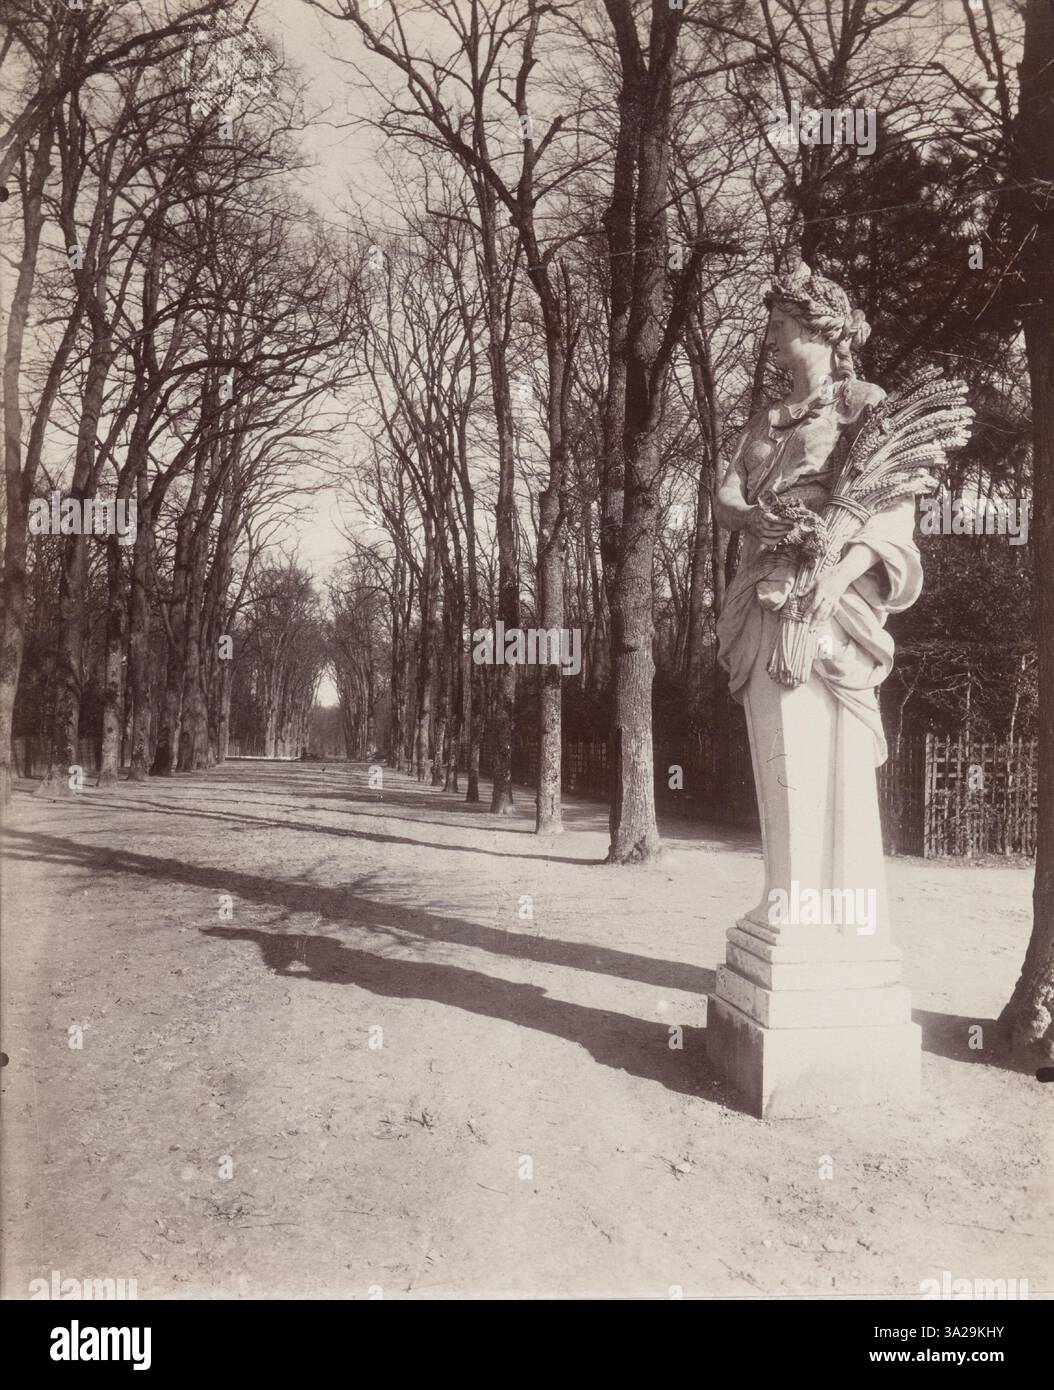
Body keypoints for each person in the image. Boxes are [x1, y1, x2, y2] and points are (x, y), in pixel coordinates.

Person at [714, 261, 921, 939]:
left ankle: (834, 907)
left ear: (819, 329)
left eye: (780, 325)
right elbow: (725, 491)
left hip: (832, 596)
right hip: (766, 585)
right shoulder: (766, 419)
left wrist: (835, 573)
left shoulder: (863, 402)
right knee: (776, 753)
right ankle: (787, 897)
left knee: (826, 750)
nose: (769, 338)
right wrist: (747, 519)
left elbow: (888, 505)